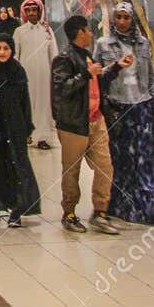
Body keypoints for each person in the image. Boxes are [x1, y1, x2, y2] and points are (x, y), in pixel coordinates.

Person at [94, 2, 154, 225]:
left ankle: (151, 203)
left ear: (132, 20)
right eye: (118, 17)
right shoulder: (103, 44)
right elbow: (97, 77)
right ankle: (123, 204)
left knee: (146, 158)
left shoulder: (142, 44)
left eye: (126, 17)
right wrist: (115, 67)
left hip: (142, 105)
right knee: (123, 158)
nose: (122, 21)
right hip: (118, 107)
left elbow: (150, 77)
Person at [50, 14, 119, 234]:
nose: (91, 33)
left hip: (96, 120)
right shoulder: (64, 58)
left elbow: (97, 81)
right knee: (72, 171)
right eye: (88, 30)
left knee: (105, 166)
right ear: (80, 33)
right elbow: (63, 87)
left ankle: (100, 212)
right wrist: (85, 74)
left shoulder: (87, 56)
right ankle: (69, 213)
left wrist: (116, 68)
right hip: (73, 124)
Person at [0, 35, 41, 227]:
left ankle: (16, 210)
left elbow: (24, 101)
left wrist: (27, 127)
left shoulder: (18, 71)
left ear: (11, 49)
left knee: (16, 167)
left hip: (15, 127)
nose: (2, 52)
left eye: (6, 48)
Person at [12, 0, 59, 149]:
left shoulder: (47, 31)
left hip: (44, 75)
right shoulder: (19, 31)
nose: (32, 13)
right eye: (28, 10)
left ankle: (42, 138)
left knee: (43, 106)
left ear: (39, 12)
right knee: (27, 105)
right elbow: (15, 55)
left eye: (34, 10)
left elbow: (54, 55)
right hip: (25, 75)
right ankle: (27, 134)